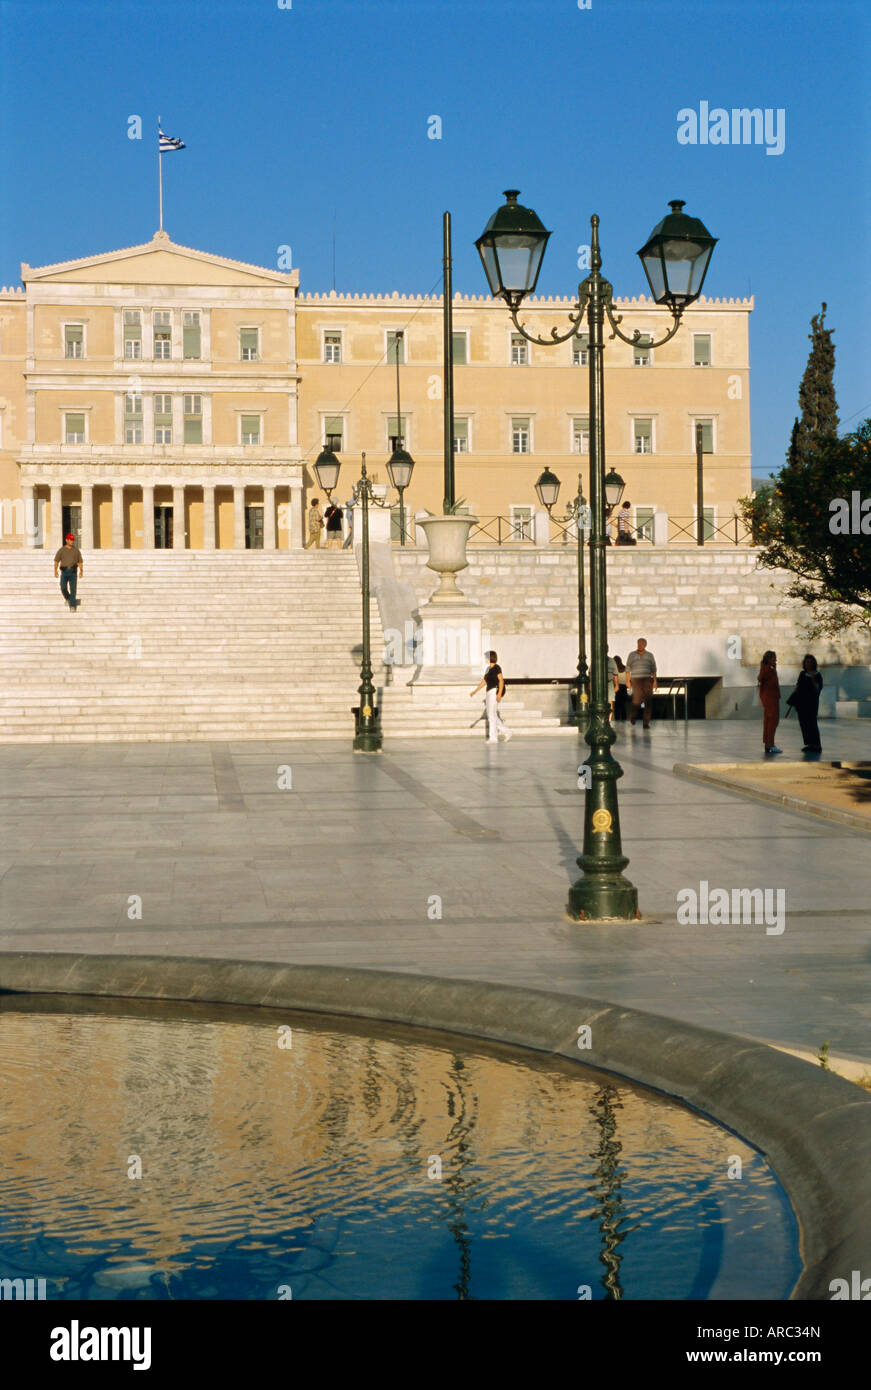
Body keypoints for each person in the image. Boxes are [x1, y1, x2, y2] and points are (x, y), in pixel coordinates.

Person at [470, 650, 512, 743]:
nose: (485, 659)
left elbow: (501, 681)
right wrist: (475, 691)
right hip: (489, 692)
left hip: (494, 692)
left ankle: (493, 738)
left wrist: (499, 693)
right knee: (493, 715)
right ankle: (507, 732)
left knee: (491, 715)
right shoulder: (488, 668)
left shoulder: (497, 667)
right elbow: (484, 681)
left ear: (490, 657)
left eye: (486, 657)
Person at [787, 654, 823, 753]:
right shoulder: (802, 674)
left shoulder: (817, 675)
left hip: (811, 704)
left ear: (813, 663)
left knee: (812, 723)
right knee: (804, 724)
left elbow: (818, 689)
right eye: (806, 662)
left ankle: (817, 744)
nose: (808, 664)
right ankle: (809, 744)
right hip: (801, 704)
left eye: (810, 662)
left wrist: (812, 678)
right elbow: (798, 686)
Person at [626, 637, 657, 729]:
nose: (640, 645)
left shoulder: (650, 655)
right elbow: (627, 669)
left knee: (648, 700)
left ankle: (646, 723)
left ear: (645, 645)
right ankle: (633, 716)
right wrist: (628, 681)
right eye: (639, 644)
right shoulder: (631, 655)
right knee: (637, 700)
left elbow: (654, 669)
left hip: (647, 679)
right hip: (636, 679)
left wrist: (655, 681)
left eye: (642, 644)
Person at [758, 650, 782, 755]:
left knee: (771, 722)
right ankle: (770, 744)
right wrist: (771, 669)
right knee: (772, 721)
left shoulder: (770, 669)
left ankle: (768, 743)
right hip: (770, 698)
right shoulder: (767, 669)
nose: (775, 660)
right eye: (773, 658)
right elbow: (761, 678)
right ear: (768, 659)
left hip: (772, 698)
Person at [53, 531, 83, 609]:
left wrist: (81, 571)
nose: (72, 541)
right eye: (70, 540)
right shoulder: (62, 550)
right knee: (63, 587)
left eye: (73, 540)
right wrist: (55, 571)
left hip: (73, 572)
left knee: (73, 589)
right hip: (64, 572)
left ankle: (72, 606)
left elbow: (80, 561)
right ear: (66, 540)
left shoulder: (76, 551)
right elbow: (56, 561)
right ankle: (69, 598)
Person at [613, 655, 629, 722]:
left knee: (616, 707)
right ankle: (624, 720)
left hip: (617, 688)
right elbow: (628, 680)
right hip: (624, 688)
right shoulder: (626, 668)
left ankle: (617, 720)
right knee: (623, 706)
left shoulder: (614, 670)